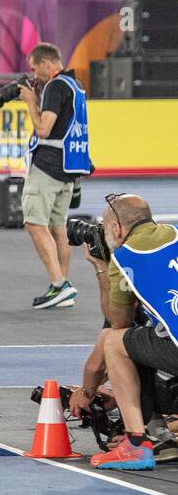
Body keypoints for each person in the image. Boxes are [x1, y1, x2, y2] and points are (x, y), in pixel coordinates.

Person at [71, 194, 178, 470]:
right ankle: (161, 431)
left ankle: (136, 443)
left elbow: (118, 323)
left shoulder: (126, 256)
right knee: (152, 337)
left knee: (116, 343)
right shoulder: (175, 234)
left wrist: (103, 270)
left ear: (116, 228)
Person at [21, 42, 93, 310]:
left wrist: (30, 102)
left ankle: (59, 284)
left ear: (46, 64)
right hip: (70, 166)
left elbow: (44, 128)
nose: (34, 75)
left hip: (50, 165)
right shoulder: (77, 86)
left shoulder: (55, 85)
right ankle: (61, 287)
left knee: (34, 223)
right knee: (57, 227)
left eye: (35, 68)